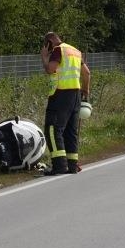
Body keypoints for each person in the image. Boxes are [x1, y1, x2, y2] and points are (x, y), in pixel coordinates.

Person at [40, 32, 91, 175]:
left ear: (50, 41)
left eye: (47, 46)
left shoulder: (58, 50)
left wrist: (44, 58)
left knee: (53, 129)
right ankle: (72, 165)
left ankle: (59, 166)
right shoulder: (75, 51)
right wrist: (85, 91)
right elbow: (87, 73)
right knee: (70, 131)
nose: (48, 49)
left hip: (61, 94)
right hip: (76, 95)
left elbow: (51, 69)